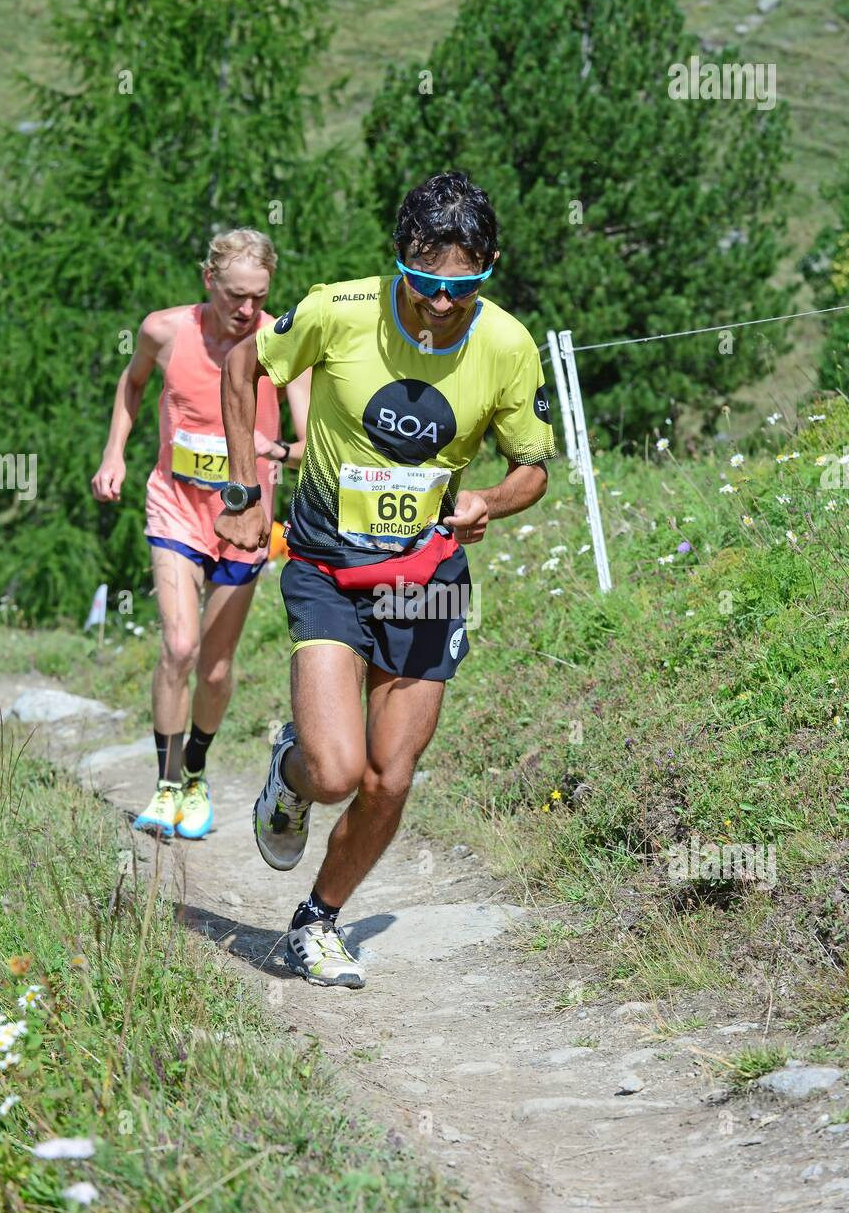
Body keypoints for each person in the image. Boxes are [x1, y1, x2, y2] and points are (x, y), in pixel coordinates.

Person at [214, 173, 554, 986]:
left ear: (489, 267)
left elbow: (531, 468)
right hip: (329, 565)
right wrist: (241, 493)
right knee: (336, 771)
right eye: (427, 283)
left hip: (426, 576)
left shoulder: (505, 342)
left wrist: (488, 502)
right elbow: (240, 366)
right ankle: (290, 773)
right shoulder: (338, 310)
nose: (442, 303)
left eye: (463, 286)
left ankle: (317, 921)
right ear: (399, 260)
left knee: (388, 776)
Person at [91, 228, 310, 839]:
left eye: (258, 296)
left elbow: (315, 443)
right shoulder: (164, 331)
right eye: (235, 295)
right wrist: (116, 455)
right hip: (176, 507)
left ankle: (194, 773)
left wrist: (275, 450)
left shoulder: (282, 344)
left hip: (244, 522)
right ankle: (164, 788)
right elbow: (131, 385)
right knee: (180, 647)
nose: (246, 310)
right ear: (208, 280)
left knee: (214, 669)